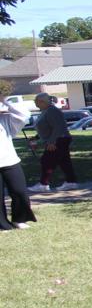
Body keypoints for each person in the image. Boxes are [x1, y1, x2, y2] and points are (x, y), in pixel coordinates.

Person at [0, 96, 39, 231]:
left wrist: (4, 101)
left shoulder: (4, 119)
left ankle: (19, 219)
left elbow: (24, 114)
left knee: (20, 191)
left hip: (10, 161)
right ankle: (2, 225)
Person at [28, 93, 76, 192]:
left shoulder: (52, 111)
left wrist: (52, 142)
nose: (35, 103)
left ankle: (43, 184)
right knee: (64, 162)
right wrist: (36, 137)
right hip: (58, 139)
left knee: (47, 161)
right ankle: (71, 182)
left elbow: (59, 127)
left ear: (42, 101)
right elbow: (47, 128)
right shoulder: (46, 111)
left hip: (59, 140)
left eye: (35, 101)